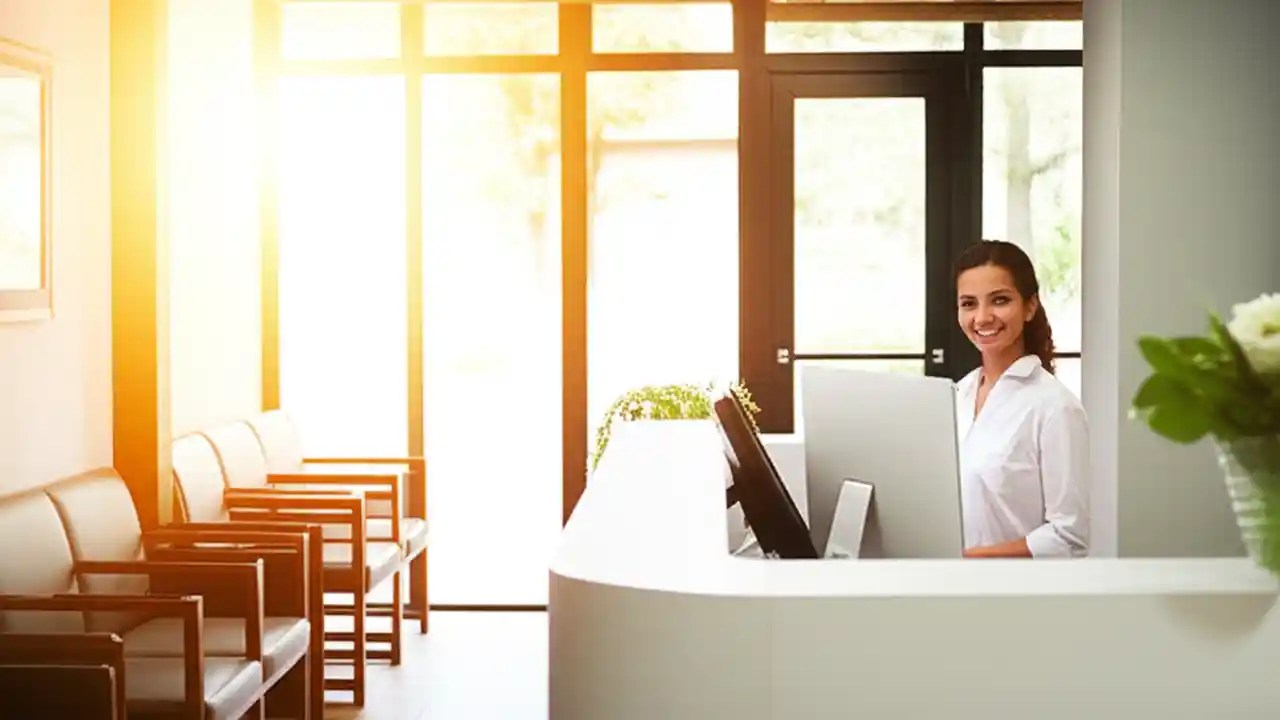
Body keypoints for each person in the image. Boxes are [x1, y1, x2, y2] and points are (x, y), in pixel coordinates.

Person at [953, 240, 1090, 559]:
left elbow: (1069, 536)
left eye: (999, 300)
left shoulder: (1056, 407)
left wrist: (966, 559)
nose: (982, 317)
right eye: (969, 304)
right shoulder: (957, 395)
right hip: (946, 582)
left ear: (1030, 307)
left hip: (1015, 586)